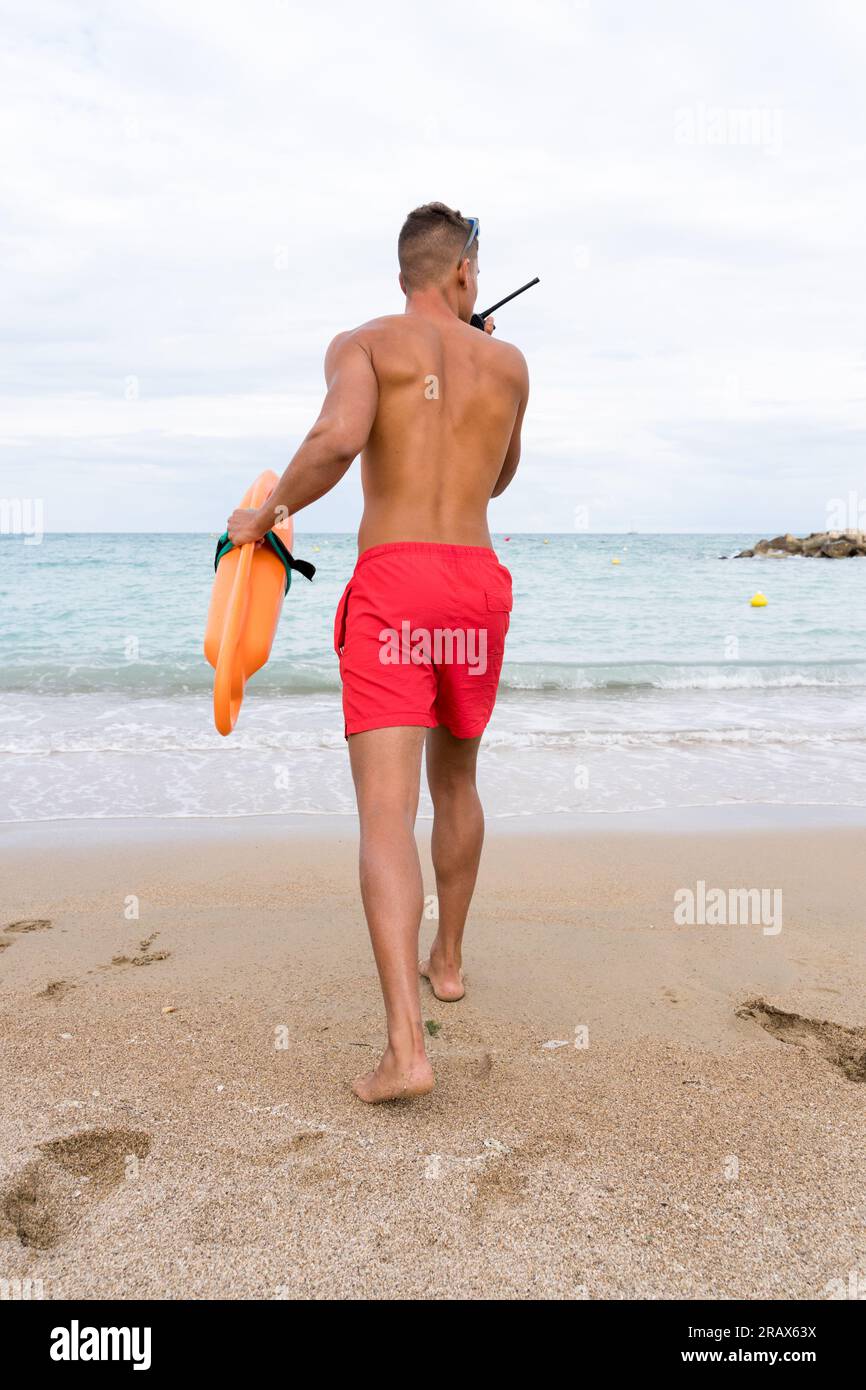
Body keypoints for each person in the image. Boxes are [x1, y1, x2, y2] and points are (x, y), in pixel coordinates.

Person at [228, 202, 529, 1102]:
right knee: (459, 782)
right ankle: (449, 962)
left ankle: (406, 1050)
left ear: (408, 273)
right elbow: (499, 474)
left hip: (397, 582)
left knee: (385, 815)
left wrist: (267, 511)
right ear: (467, 276)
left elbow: (337, 438)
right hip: (475, 582)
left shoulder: (363, 343)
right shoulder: (508, 364)